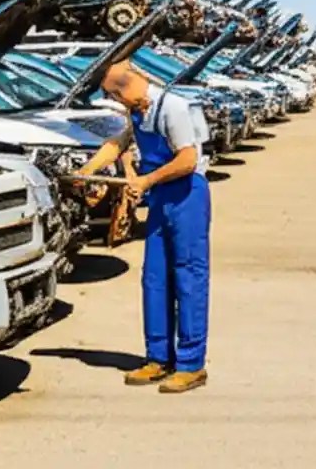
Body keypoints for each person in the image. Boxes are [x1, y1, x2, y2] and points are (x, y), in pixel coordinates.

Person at [76, 62, 211, 393]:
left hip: (187, 195)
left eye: (116, 97)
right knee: (155, 278)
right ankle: (157, 357)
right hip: (162, 197)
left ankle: (191, 364)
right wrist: (87, 170)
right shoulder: (137, 112)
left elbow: (186, 160)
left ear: (122, 90)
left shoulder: (173, 108)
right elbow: (119, 143)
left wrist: (146, 181)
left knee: (188, 277)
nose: (121, 104)